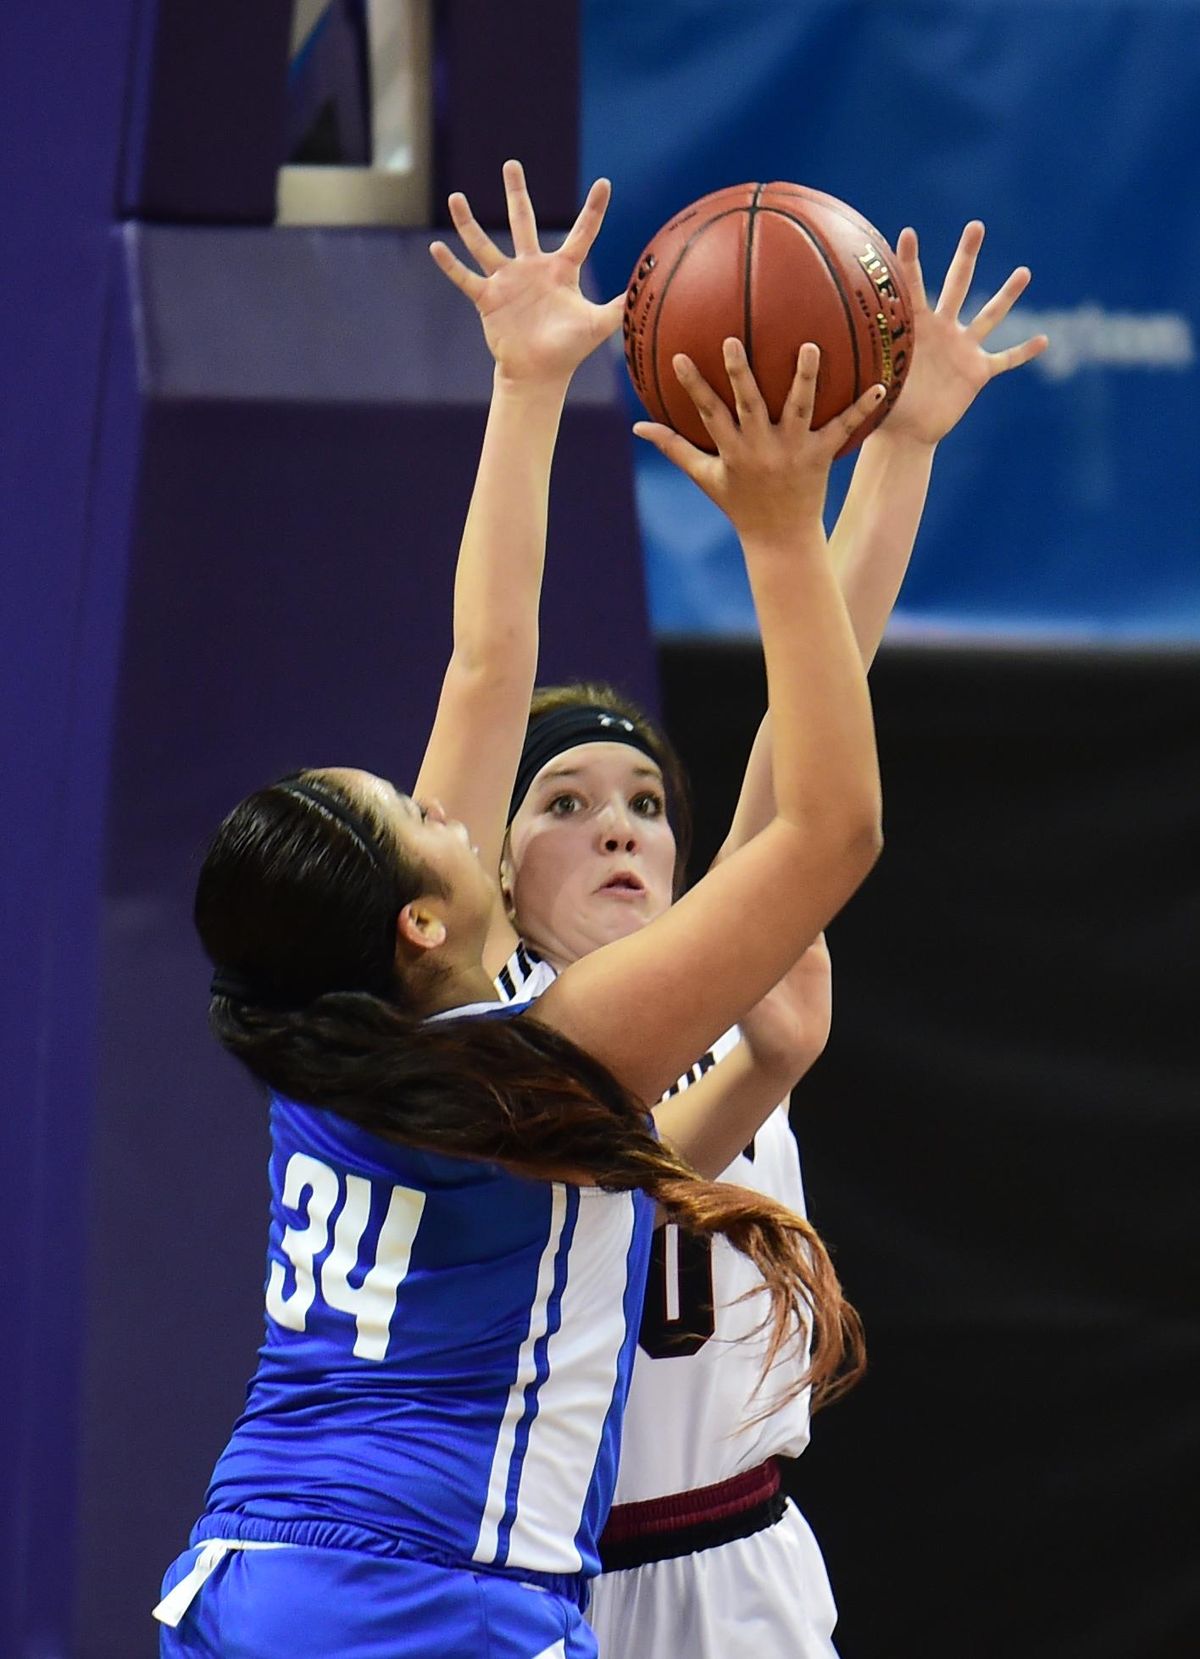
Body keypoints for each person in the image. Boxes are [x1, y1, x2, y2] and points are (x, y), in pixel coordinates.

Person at [153, 161, 885, 1659]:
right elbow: (827, 831)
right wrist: (780, 532)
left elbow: (490, 668)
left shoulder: (340, 1039)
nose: (446, 803)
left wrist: (526, 381)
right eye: (417, 816)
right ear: (425, 915)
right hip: (428, 1599)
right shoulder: (525, 1054)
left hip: (244, 1574)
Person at [425, 164, 1048, 1657]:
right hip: (544, 1570)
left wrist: (898, 445)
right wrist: (523, 394)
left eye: (643, 802)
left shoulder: (728, 971)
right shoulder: (477, 1011)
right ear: (493, 878)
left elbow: (813, 709)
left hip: (743, 1550)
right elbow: (482, 668)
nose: (620, 826)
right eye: (563, 805)